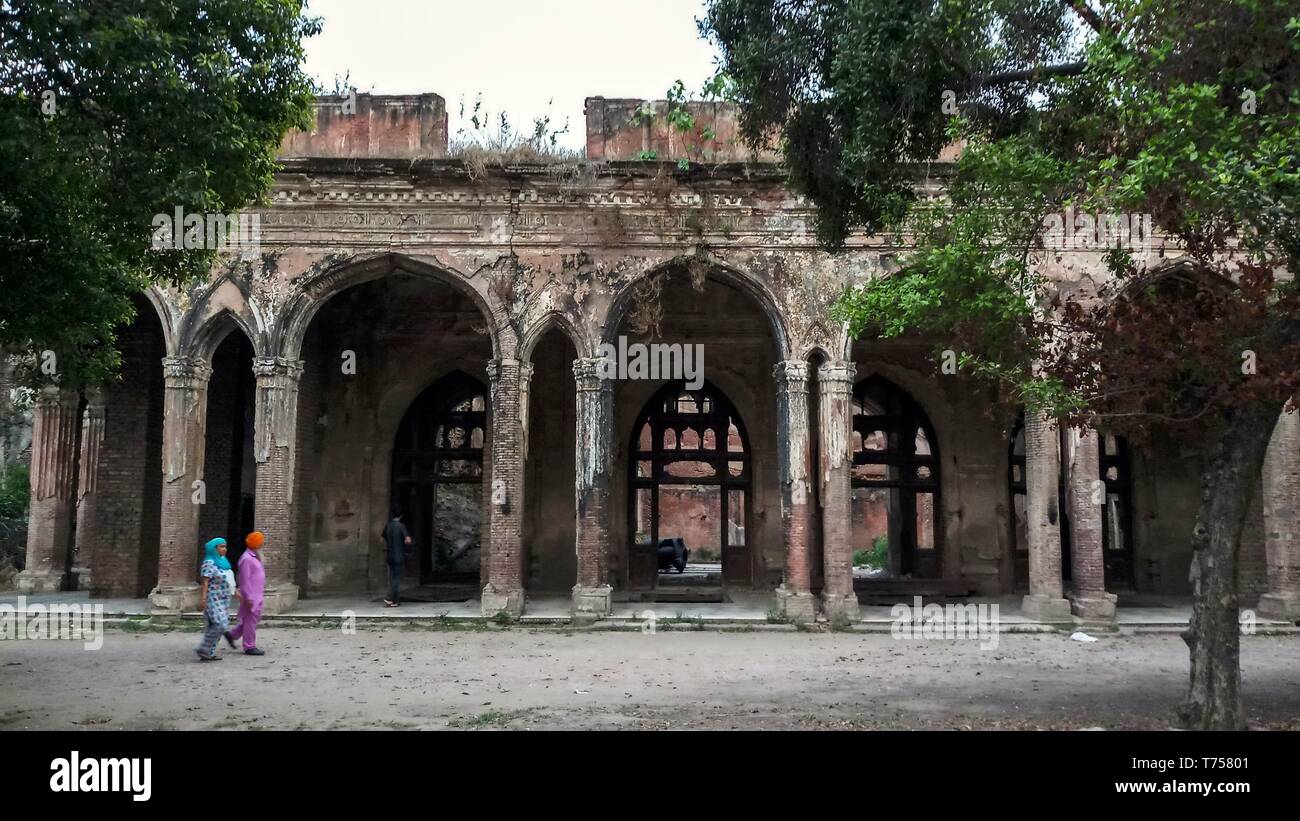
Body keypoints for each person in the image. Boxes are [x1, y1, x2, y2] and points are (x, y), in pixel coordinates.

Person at [225, 531, 266, 655]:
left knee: (251, 620)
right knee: (250, 620)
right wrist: (247, 597)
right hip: (251, 595)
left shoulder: (254, 556)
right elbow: (244, 579)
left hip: (257, 594)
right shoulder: (247, 559)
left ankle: (232, 635)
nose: (262, 544)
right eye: (260, 542)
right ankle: (249, 646)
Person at [196, 538, 232, 661]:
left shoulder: (223, 561)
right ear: (214, 548)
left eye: (225, 546)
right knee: (220, 624)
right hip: (213, 597)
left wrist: (238, 593)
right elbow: (205, 581)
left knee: (217, 625)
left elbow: (229, 580)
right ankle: (204, 648)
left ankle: (208, 653)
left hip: (224, 598)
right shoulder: (209, 562)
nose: (224, 549)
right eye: (221, 546)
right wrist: (203, 599)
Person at [381, 509, 411, 607]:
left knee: (392, 578)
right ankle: (389, 598)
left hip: (390, 554)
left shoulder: (388, 526)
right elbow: (407, 540)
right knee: (396, 579)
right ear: (401, 515)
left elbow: (382, 538)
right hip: (399, 555)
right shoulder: (401, 526)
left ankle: (395, 601)